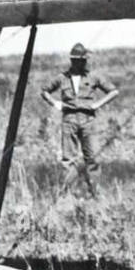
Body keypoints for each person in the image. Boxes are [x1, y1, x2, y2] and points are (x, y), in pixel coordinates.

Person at [40, 43, 119, 196]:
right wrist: (56, 104)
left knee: (92, 158)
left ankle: (95, 193)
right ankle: (65, 195)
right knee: (68, 160)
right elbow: (44, 91)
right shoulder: (62, 78)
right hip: (68, 120)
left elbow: (113, 91)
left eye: (83, 60)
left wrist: (97, 104)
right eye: (77, 60)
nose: (80, 63)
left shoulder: (93, 77)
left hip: (88, 120)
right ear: (72, 60)